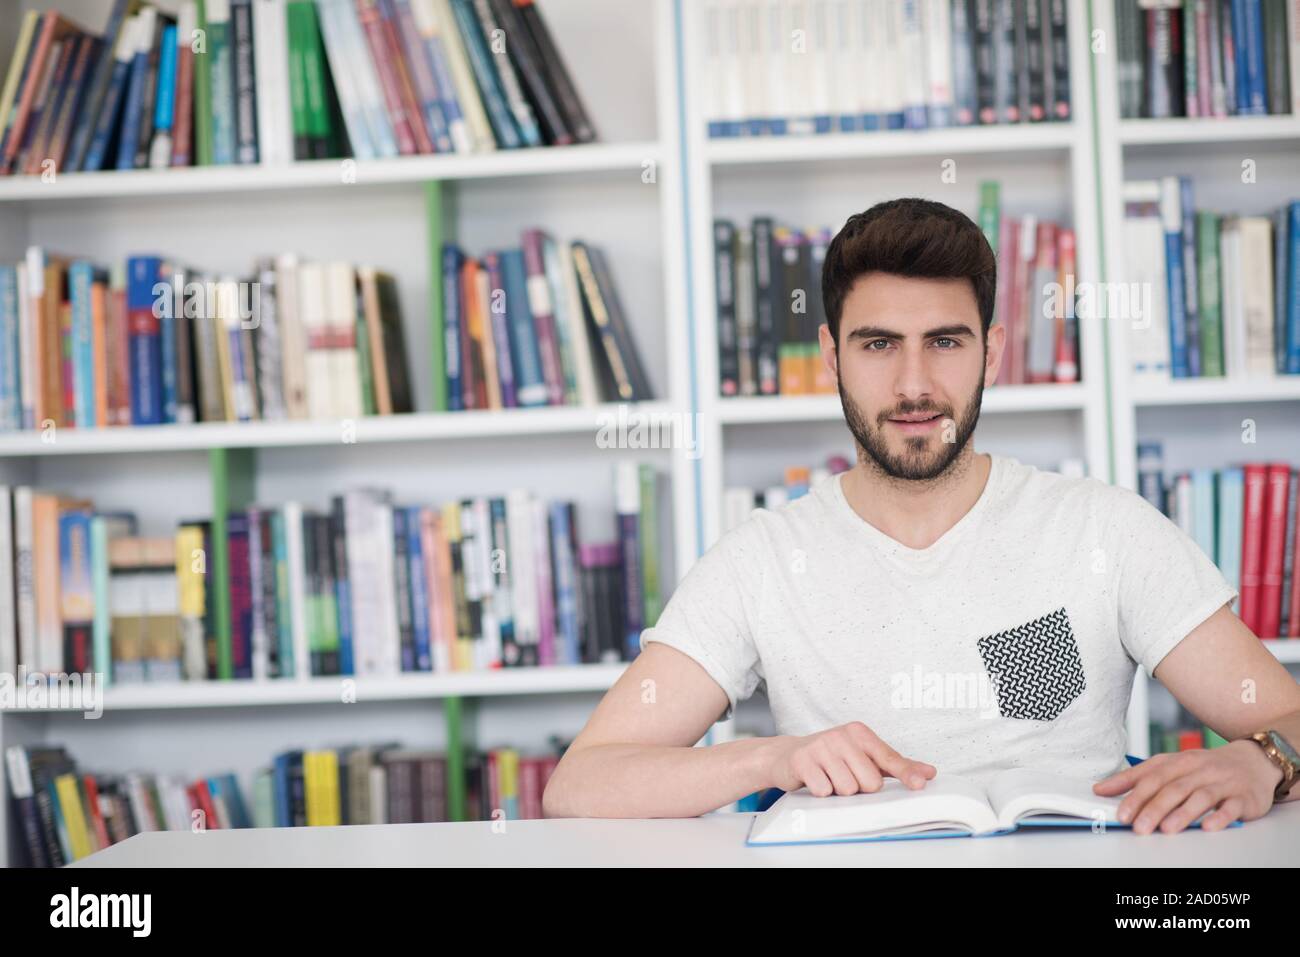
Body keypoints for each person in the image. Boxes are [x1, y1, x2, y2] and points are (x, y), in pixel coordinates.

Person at [542, 197, 1300, 834]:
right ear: (833, 358)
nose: (914, 384)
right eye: (879, 344)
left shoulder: (1108, 532)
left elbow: (1285, 717)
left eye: (944, 342)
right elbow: (579, 784)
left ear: (992, 354)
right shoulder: (761, 561)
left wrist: (1260, 758)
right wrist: (772, 758)